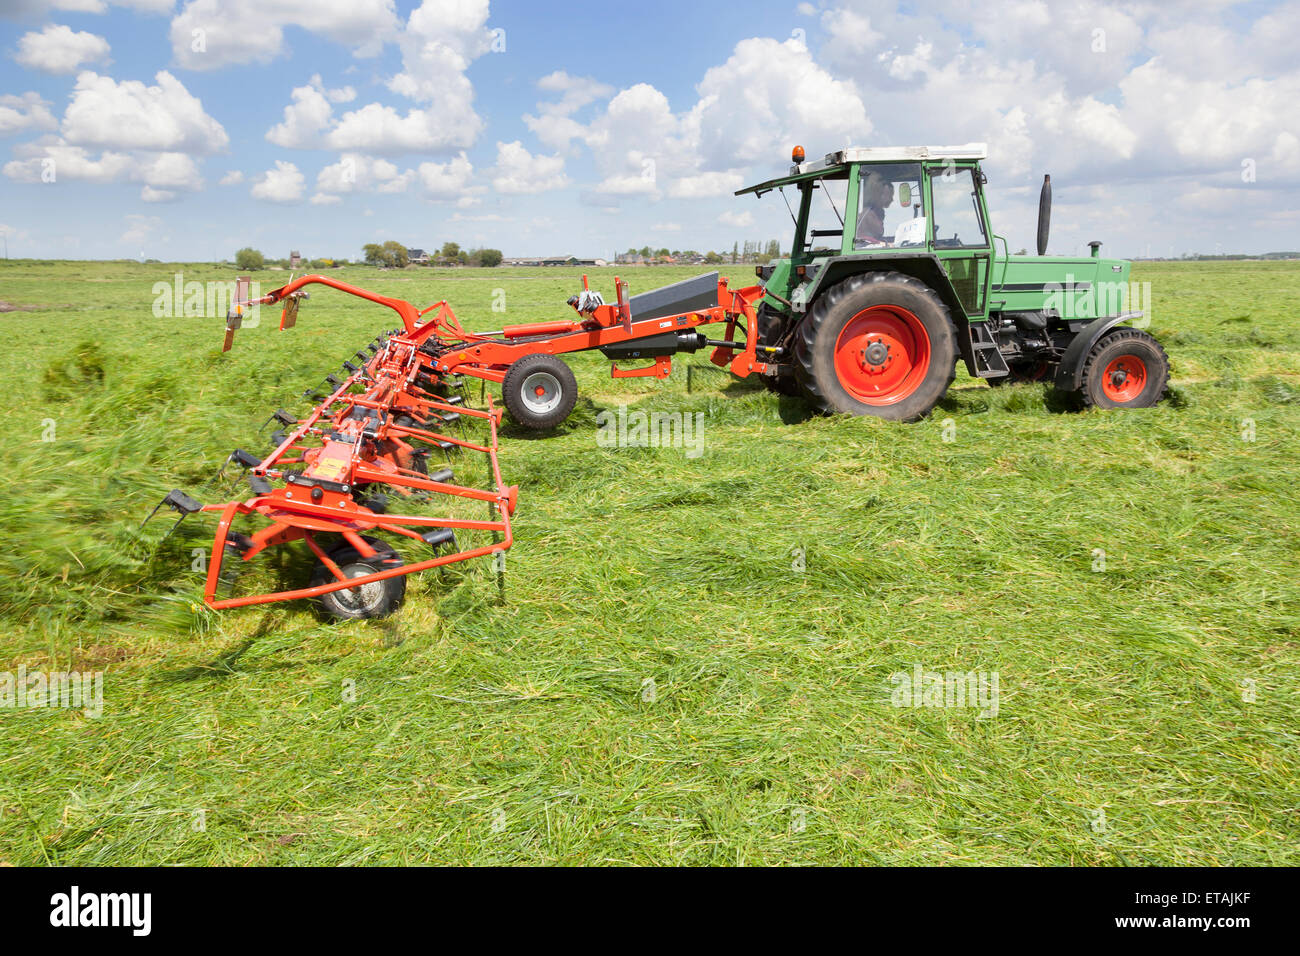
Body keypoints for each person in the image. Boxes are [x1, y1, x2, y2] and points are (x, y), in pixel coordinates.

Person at [855, 172, 894, 245]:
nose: (892, 199)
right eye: (889, 195)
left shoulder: (878, 211)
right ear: (878, 195)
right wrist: (881, 243)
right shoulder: (868, 213)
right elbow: (863, 238)